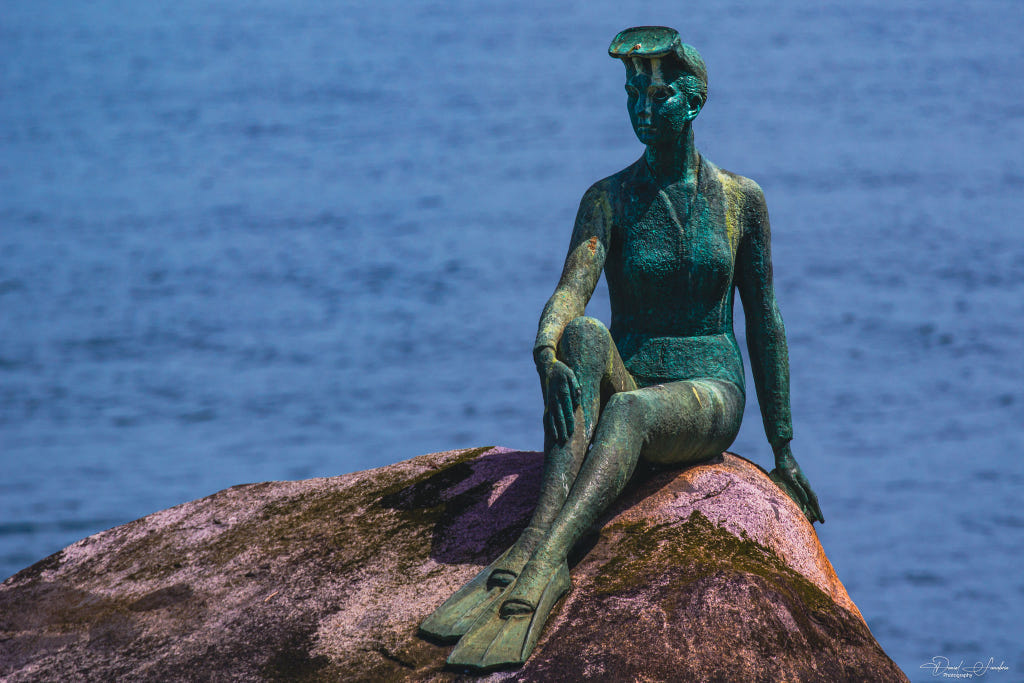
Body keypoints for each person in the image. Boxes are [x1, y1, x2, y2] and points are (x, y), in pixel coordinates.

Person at [421, 26, 824, 669]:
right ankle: (528, 544)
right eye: (632, 92)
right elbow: (570, 292)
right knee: (584, 337)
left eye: (656, 94)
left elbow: (765, 319)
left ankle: (547, 565)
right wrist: (546, 351)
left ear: (692, 102)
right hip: (631, 374)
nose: (641, 107)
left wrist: (784, 448)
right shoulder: (606, 199)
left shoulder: (741, 201)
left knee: (628, 414)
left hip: (707, 389)